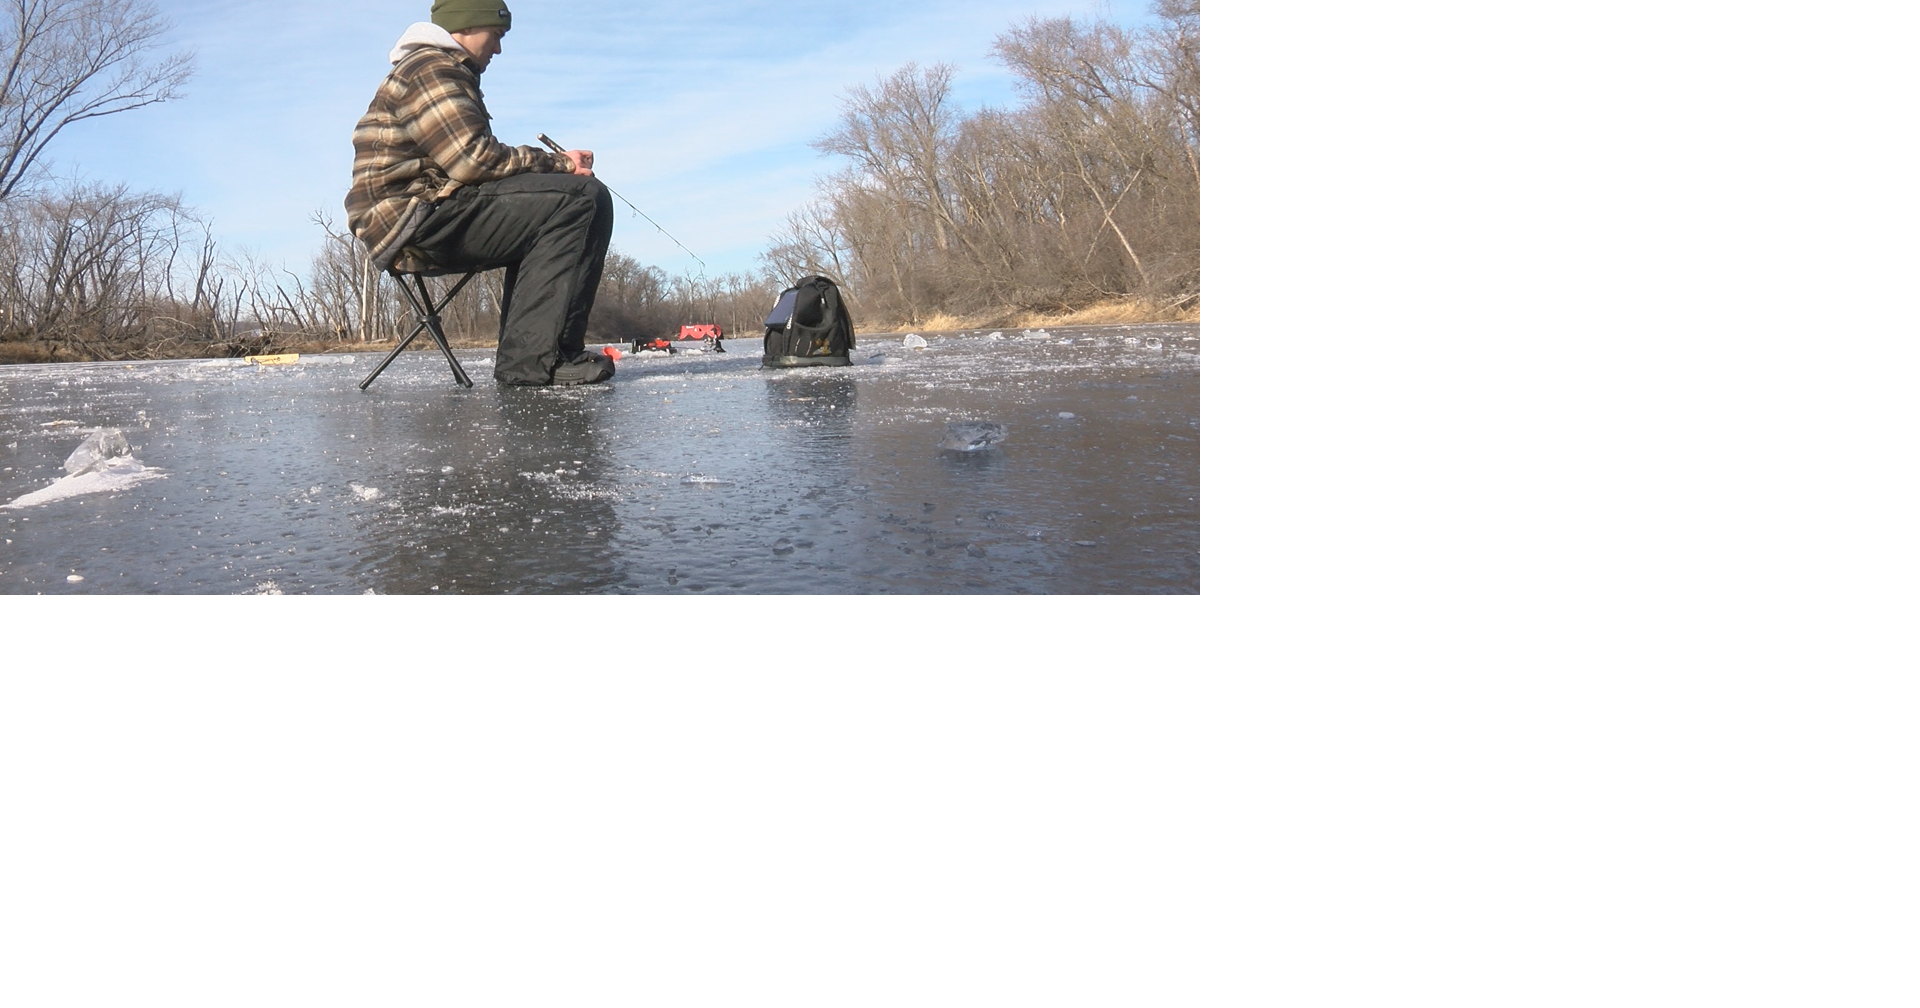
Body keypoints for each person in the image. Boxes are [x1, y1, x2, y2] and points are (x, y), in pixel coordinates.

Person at [345, 0, 616, 386]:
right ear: (468, 26)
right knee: (581, 198)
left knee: (562, 199)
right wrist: (561, 166)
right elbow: (473, 160)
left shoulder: (442, 70)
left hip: (420, 214)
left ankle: (532, 356)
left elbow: (472, 165)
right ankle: (538, 360)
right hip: (415, 219)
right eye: (497, 35)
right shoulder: (430, 69)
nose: (499, 48)